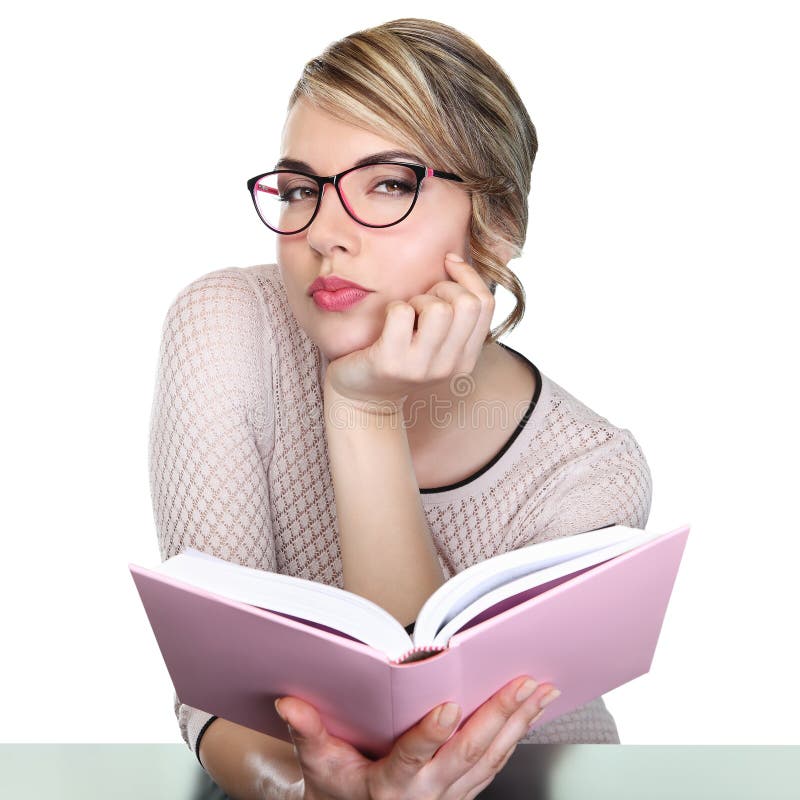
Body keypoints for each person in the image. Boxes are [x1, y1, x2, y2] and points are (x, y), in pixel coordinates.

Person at [148, 17, 652, 800]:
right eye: (300, 190)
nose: (324, 233)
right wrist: (310, 793)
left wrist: (365, 413)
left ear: (497, 228)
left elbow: (429, 729)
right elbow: (217, 681)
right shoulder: (229, 325)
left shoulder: (588, 472)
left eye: (388, 183)